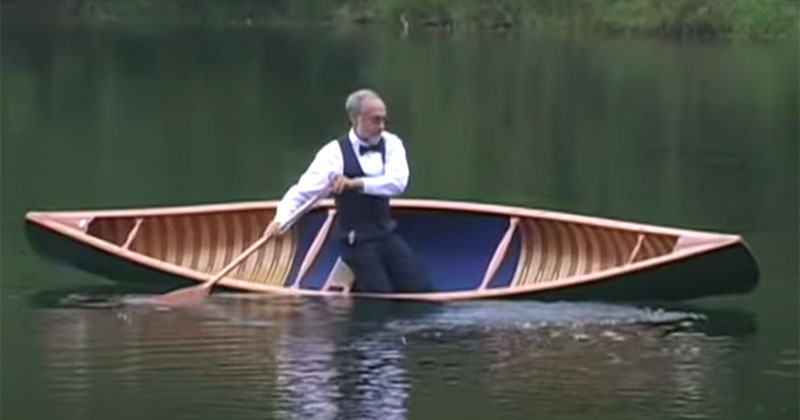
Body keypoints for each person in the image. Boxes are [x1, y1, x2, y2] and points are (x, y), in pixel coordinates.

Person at [264, 89, 428, 293]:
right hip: (356, 242)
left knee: (420, 289)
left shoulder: (392, 144)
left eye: (383, 120)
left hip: (386, 234)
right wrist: (281, 221)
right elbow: (303, 193)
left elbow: (398, 183)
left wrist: (355, 184)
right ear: (354, 119)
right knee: (381, 297)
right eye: (375, 120)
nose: (382, 126)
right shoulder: (333, 154)